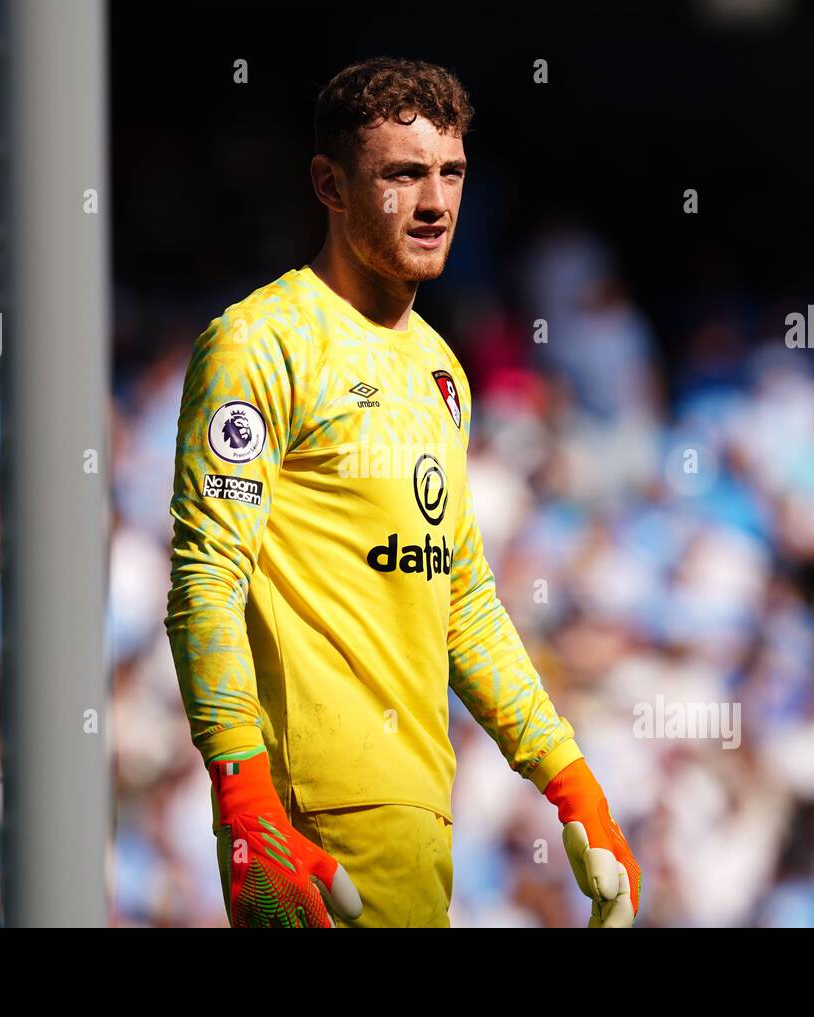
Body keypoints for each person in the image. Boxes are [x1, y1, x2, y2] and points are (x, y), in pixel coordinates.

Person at [166, 56, 640, 928]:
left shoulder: (439, 369)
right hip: (315, 819)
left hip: (421, 809)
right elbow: (206, 581)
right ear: (330, 185)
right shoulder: (259, 343)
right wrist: (244, 803)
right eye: (402, 174)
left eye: (450, 173)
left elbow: (461, 601)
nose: (434, 202)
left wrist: (569, 781)